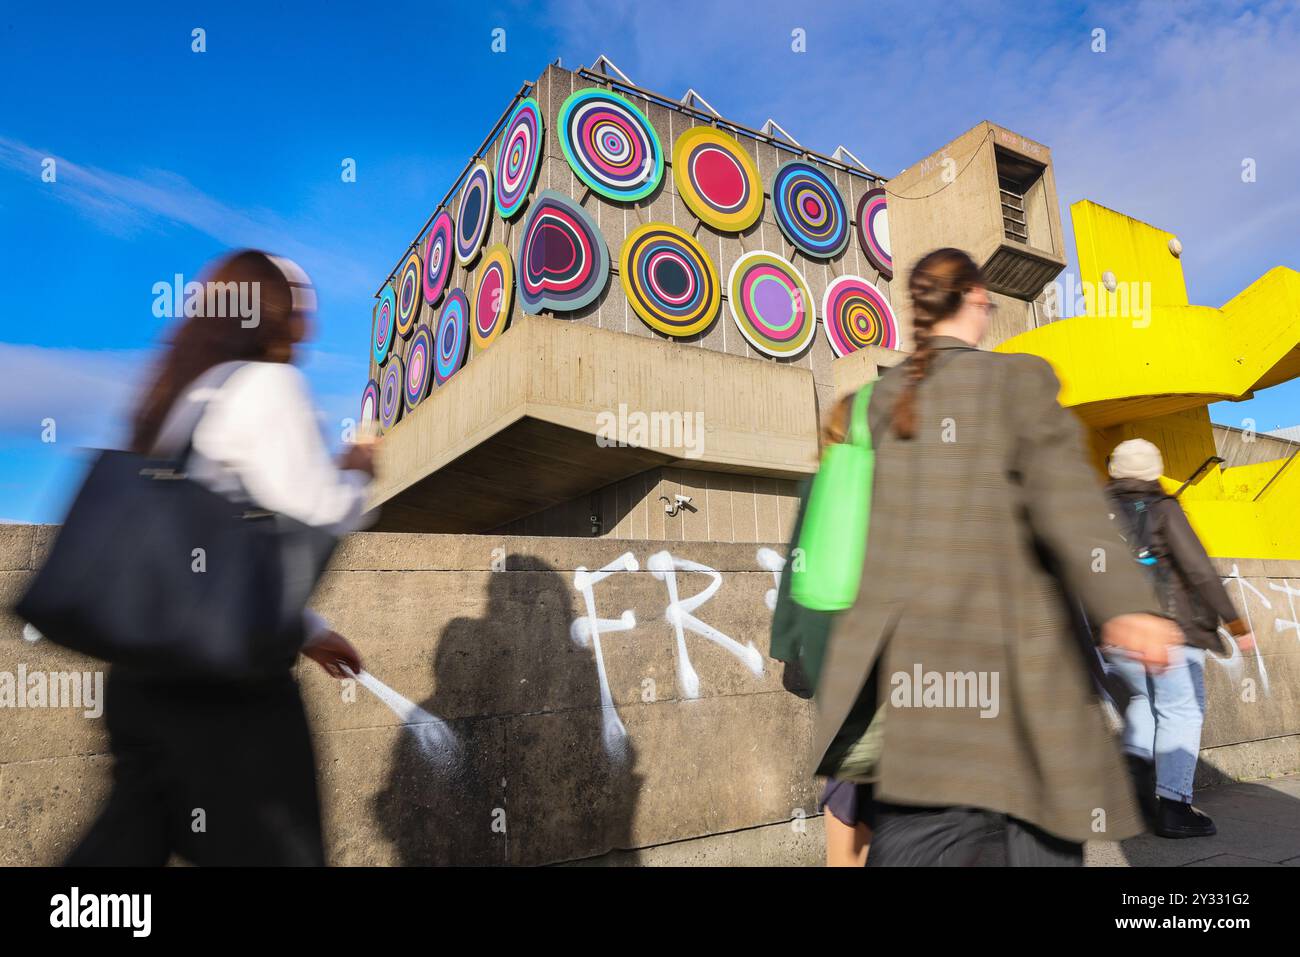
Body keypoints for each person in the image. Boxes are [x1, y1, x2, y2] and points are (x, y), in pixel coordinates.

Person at [812, 248, 1183, 867]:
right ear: (978, 302)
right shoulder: (1017, 380)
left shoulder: (873, 403)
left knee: (920, 838)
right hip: (1017, 695)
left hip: (915, 698)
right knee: (1033, 838)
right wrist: (1125, 603)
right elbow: (1068, 501)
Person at [66, 249, 375, 866]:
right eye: (301, 309)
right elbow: (313, 515)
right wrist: (360, 471)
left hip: (145, 683)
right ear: (273, 316)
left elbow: (202, 560)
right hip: (228, 694)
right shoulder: (267, 385)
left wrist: (309, 633)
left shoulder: (178, 402)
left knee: (110, 873)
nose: (309, 327)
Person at [1103, 438, 1254, 838]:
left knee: (1141, 699)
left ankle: (1134, 769)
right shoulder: (1162, 507)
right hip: (1170, 630)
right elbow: (1199, 569)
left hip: (1115, 634)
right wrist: (1235, 624)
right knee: (1181, 712)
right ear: (1153, 469)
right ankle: (1174, 807)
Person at [771, 393, 874, 866]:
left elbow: (795, 565)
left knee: (858, 780)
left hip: (834, 658)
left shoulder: (823, 481)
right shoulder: (871, 479)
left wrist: (790, 645)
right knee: (856, 780)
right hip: (868, 658)